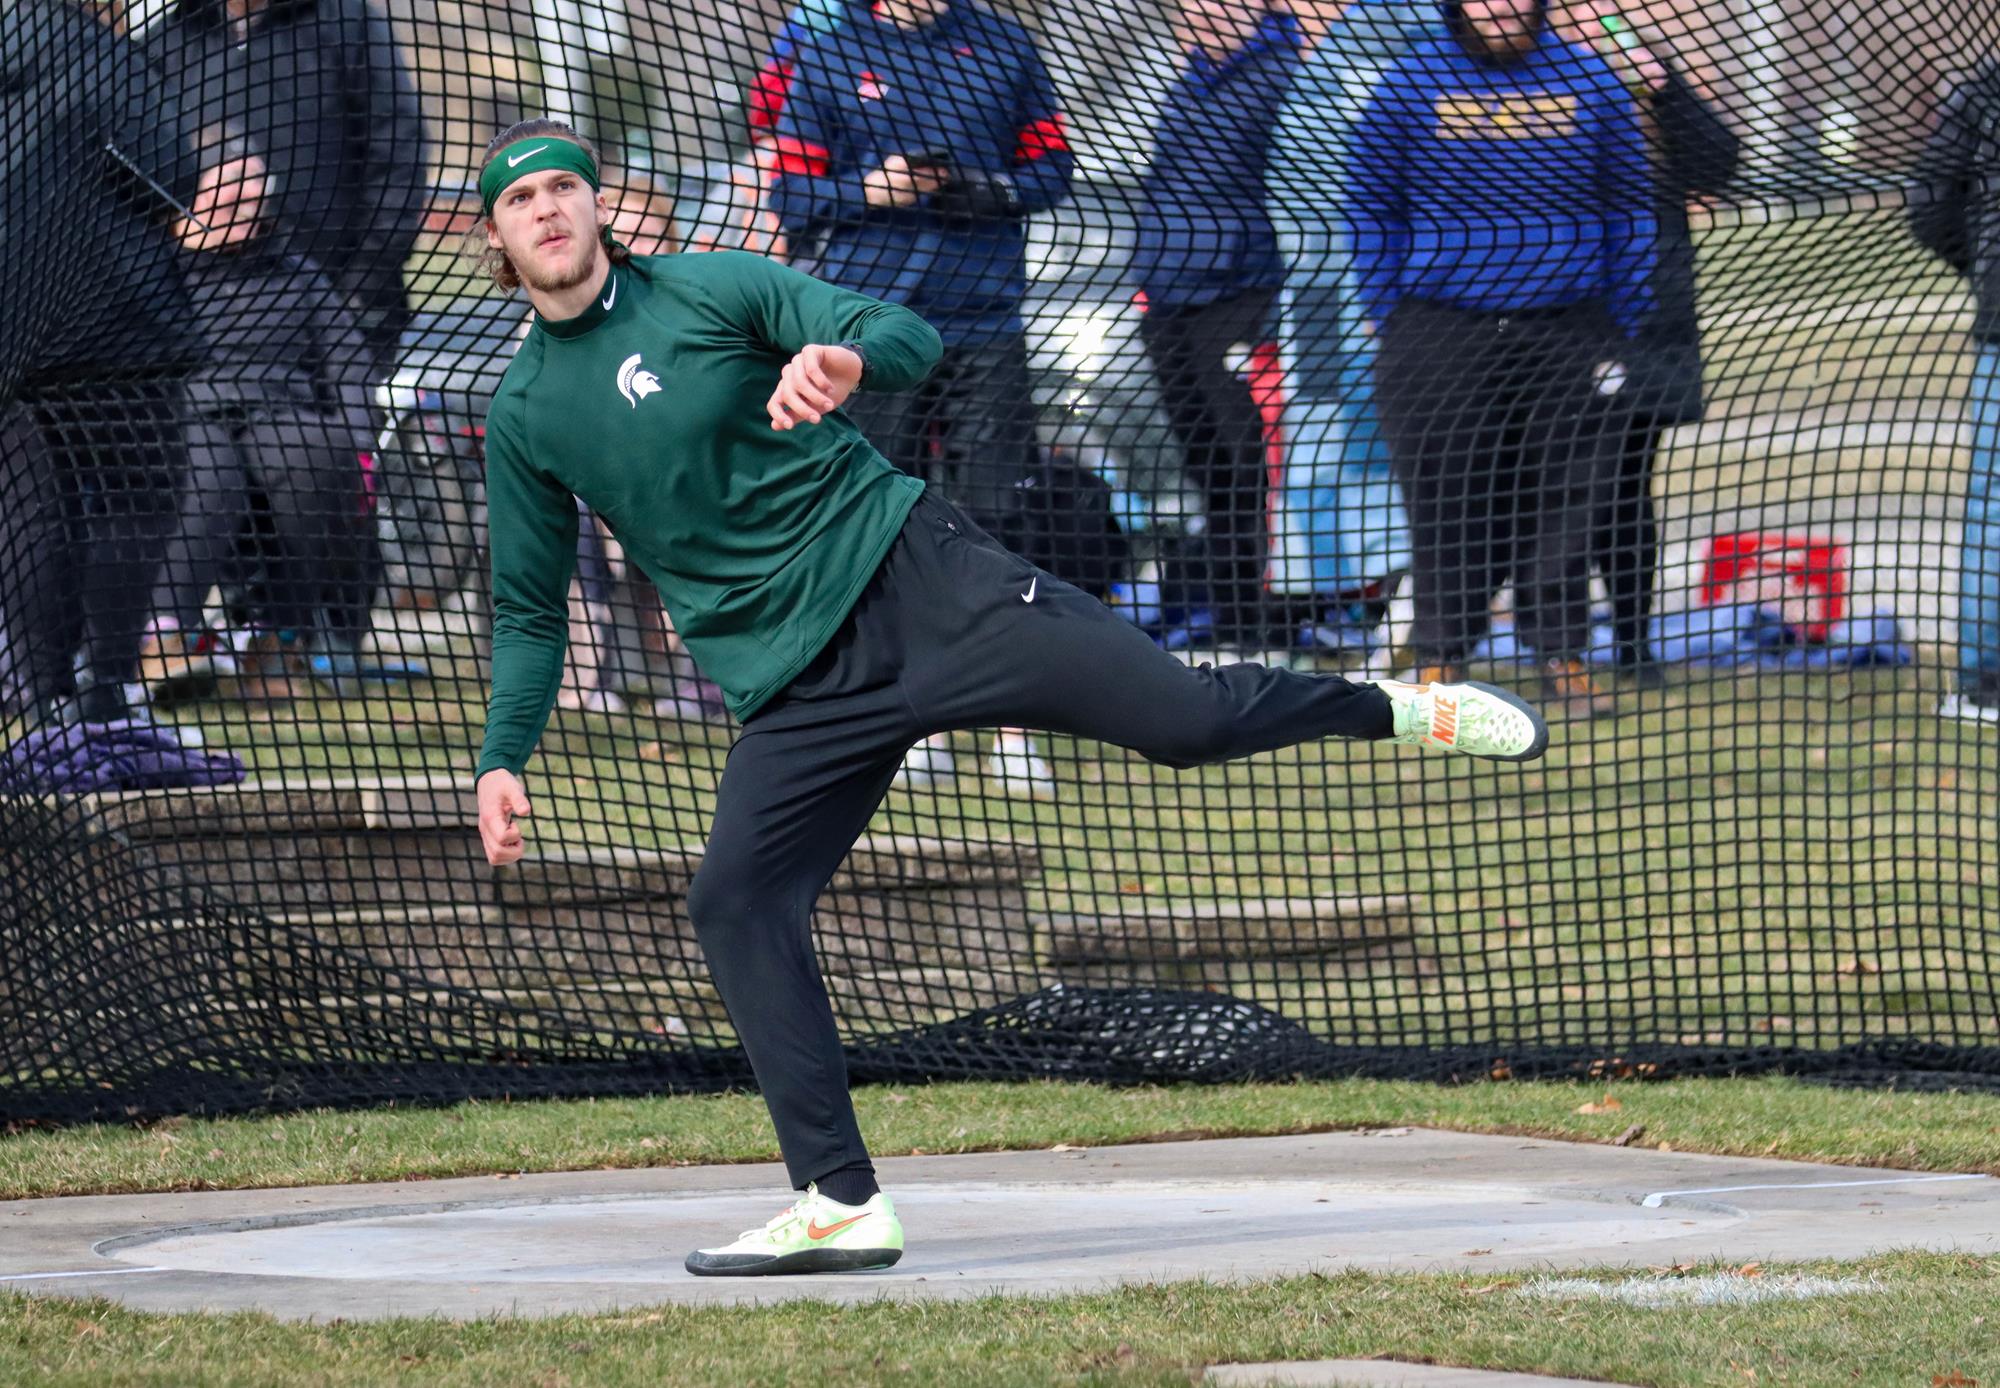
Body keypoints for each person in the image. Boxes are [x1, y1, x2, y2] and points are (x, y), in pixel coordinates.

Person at [469, 118, 1550, 1277]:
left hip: (918, 579)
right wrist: (502, 755)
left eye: (563, 187)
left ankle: (1396, 704)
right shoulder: (525, 414)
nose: (546, 208)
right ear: (496, 237)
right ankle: (837, 1201)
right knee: (735, 901)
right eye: (521, 198)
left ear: (593, 208)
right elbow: (530, 612)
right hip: (794, 683)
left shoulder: (707, 289)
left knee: (1186, 723)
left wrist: (845, 360)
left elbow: (904, 329)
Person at [766, 0, 1075, 794]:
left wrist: (990, 191)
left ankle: (1013, 724)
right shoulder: (831, 52)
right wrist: (872, 190)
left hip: (987, 322)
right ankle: (906, 724)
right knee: (875, 524)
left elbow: (1053, 172)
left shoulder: (1007, 45)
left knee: (996, 519)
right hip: (870, 334)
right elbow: (793, 196)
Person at [1342, 0, 1657, 719]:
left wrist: (1621, 313)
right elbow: (1369, 204)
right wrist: (1392, 312)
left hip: (1569, 332)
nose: (1505, 7)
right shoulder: (1412, 79)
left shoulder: (1591, 80)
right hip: (1441, 331)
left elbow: (1631, 207)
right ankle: (1440, 664)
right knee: (1446, 500)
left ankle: (1563, 658)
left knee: (1568, 499)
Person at [0, 0, 204, 725]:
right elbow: (173, 175)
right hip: (108, 323)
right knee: (141, 491)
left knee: (30, 500)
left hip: (16, 327)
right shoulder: (98, 52)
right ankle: (104, 697)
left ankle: (39, 693)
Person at [141, 139, 380, 703]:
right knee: (208, 482)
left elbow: (347, 363)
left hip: (279, 409)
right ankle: (160, 641)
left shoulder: (297, 273)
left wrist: (360, 444)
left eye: (255, 199)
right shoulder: (152, 265)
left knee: (316, 456)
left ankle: (275, 639)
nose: (245, 211)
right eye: (229, 199)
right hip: (185, 409)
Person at [1567, 4, 1739, 684]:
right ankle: (1556, 641)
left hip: (1641, 324)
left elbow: (1717, 165)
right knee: (1540, 489)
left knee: (1621, 489)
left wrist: (1659, 81)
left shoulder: (1640, 72)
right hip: (1543, 316)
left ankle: (1631, 642)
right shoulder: (1520, 78)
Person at [1133, 0, 1304, 653]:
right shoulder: (1187, 81)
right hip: (1172, 305)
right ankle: (1235, 629)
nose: (1198, 16)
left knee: (1254, 469)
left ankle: (1272, 625)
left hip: (1245, 300)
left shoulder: (1284, 74)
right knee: (1209, 472)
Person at [145, 0, 429, 377]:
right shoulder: (165, 43)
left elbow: (398, 151)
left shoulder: (345, 20)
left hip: (336, 325)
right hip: (207, 324)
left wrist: (358, 287)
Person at [1263, 0, 1424, 652]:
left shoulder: (1402, 40)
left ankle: (1415, 616)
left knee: (1398, 464)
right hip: (1318, 311)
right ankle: (1351, 611)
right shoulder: (1307, 63)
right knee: (1324, 463)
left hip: (1395, 306)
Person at [1907, 57, 2000, 725]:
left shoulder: (1983, 88)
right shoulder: (1982, 91)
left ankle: (1984, 683)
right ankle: (1984, 682)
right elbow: (1932, 206)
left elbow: (1931, 207)